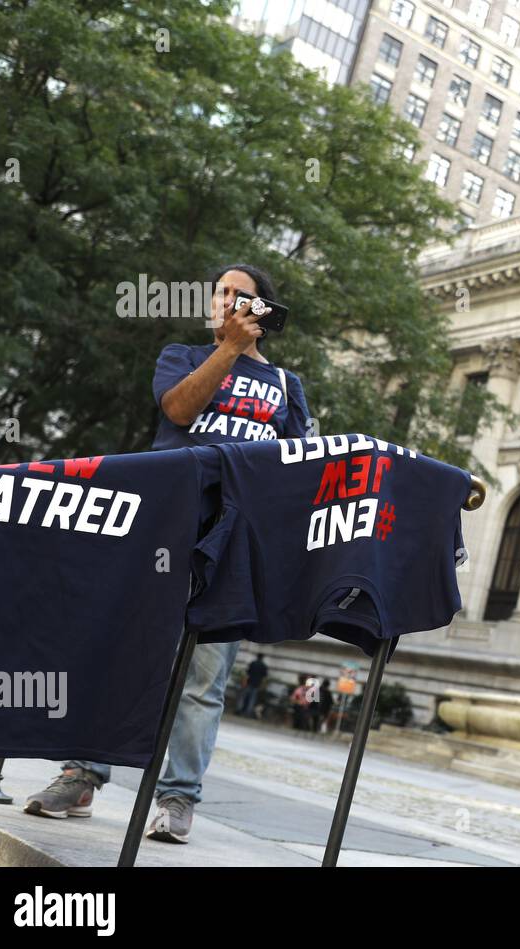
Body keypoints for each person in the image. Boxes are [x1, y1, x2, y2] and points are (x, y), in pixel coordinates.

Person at [24, 264, 313, 844]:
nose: (225, 301)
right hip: (163, 525)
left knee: (204, 678)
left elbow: (295, 469)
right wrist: (228, 350)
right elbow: (179, 411)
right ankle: (83, 774)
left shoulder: (287, 386)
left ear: (264, 313)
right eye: (220, 294)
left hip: (232, 543)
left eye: (240, 296)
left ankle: (178, 799)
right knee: (120, 652)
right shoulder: (181, 357)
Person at [236, 652, 269, 717]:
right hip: (256, 684)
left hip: (249, 682)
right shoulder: (264, 666)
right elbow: (264, 677)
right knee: (252, 699)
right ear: (262, 658)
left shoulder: (253, 663)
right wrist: (262, 685)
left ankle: (239, 709)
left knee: (243, 697)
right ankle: (248, 712)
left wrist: (244, 682)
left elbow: (247, 673)